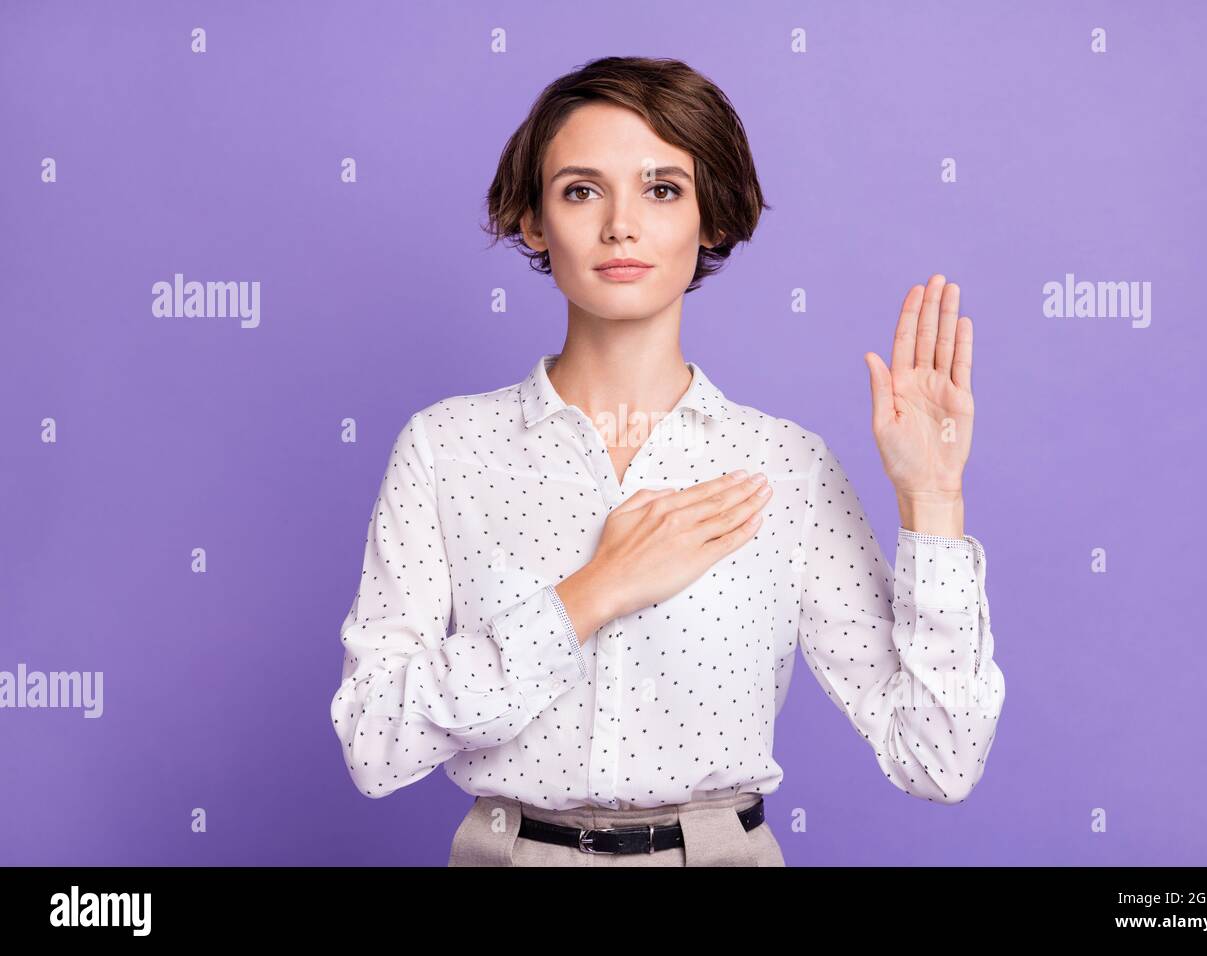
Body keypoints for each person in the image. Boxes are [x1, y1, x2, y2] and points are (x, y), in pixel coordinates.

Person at [329, 55, 1006, 867]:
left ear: (710, 217)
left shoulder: (787, 467)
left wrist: (933, 499)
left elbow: (938, 762)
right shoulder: (446, 448)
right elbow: (374, 745)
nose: (621, 225)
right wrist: (592, 593)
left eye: (661, 189)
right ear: (535, 222)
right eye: (582, 190)